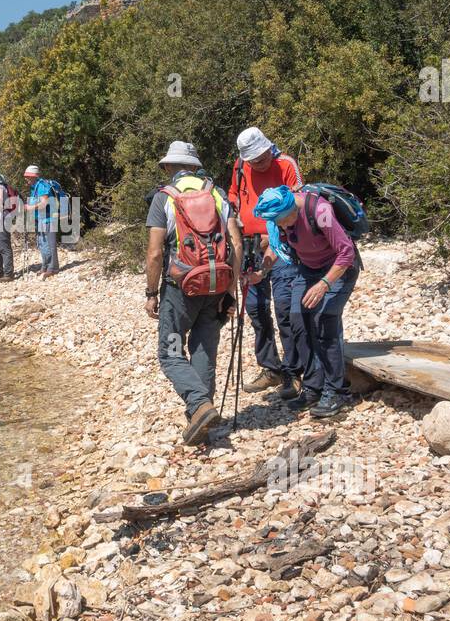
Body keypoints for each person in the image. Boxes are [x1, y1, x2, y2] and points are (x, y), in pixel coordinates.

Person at [145, 140, 244, 446]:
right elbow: (236, 245)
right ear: (195, 166)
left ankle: (200, 404)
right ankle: (200, 420)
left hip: (180, 292)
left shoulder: (165, 198)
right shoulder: (217, 194)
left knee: (171, 353)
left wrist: (151, 292)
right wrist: (231, 291)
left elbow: (155, 254)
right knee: (204, 350)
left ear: (168, 167)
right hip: (215, 288)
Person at [253, 185, 358, 419]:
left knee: (324, 322)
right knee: (298, 321)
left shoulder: (320, 211)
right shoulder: (280, 217)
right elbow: (276, 245)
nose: (281, 225)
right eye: (276, 222)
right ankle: (313, 385)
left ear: (291, 208)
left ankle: (336, 390)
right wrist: (261, 272)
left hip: (338, 270)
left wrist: (324, 284)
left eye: (282, 220)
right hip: (307, 269)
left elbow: (346, 252)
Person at [228, 127, 307, 398]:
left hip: (283, 246)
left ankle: (293, 372)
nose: (258, 164)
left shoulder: (286, 164)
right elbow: (234, 200)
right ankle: (270, 368)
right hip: (249, 246)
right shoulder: (240, 167)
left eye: (261, 158)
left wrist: (270, 234)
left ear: (268, 148)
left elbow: (298, 204)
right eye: (252, 160)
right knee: (256, 308)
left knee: (285, 307)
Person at [23, 165, 61, 278]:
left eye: (28, 176)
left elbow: (44, 203)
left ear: (33, 176)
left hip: (49, 219)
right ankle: (45, 266)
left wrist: (30, 208)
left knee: (50, 244)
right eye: (26, 176)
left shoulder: (42, 186)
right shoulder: (34, 186)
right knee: (42, 243)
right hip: (40, 219)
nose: (26, 178)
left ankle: (53, 268)